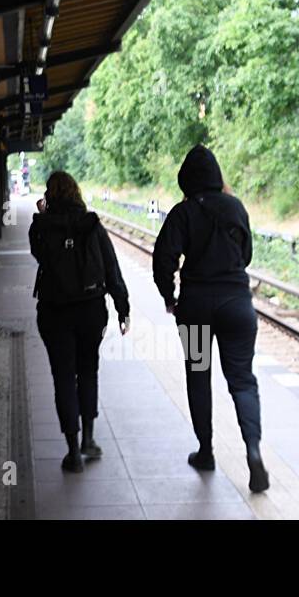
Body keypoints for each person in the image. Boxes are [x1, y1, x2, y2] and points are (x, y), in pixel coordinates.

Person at [152, 145, 269, 492]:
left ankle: (205, 451)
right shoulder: (235, 208)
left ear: (186, 180)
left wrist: (169, 297)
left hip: (197, 309)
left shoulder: (183, 212)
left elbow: (163, 260)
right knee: (243, 380)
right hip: (237, 307)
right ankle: (253, 449)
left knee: (199, 377)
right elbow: (245, 256)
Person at [29, 171, 130, 473]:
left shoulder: (41, 227)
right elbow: (111, 269)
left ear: (49, 196)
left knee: (63, 377)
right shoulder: (92, 226)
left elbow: (39, 255)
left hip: (55, 310)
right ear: (76, 193)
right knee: (88, 371)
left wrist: (43, 216)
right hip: (90, 309)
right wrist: (123, 308)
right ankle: (89, 439)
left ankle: (72, 452)